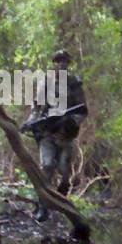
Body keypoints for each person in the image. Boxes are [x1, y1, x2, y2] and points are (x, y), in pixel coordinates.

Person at [24, 49, 87, 222]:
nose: (61, 64)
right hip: (47, 133)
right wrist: (31, 122)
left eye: (64, 61)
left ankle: (61, 199)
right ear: (54, 64)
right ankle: (42, 206)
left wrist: (72, 122)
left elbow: (82, 110)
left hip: (66, 135)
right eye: (58, 61)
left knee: (64, 171)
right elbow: (36, 107)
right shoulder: (46, 82)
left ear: (68, 64)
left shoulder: (74, 83)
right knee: (47, 166)